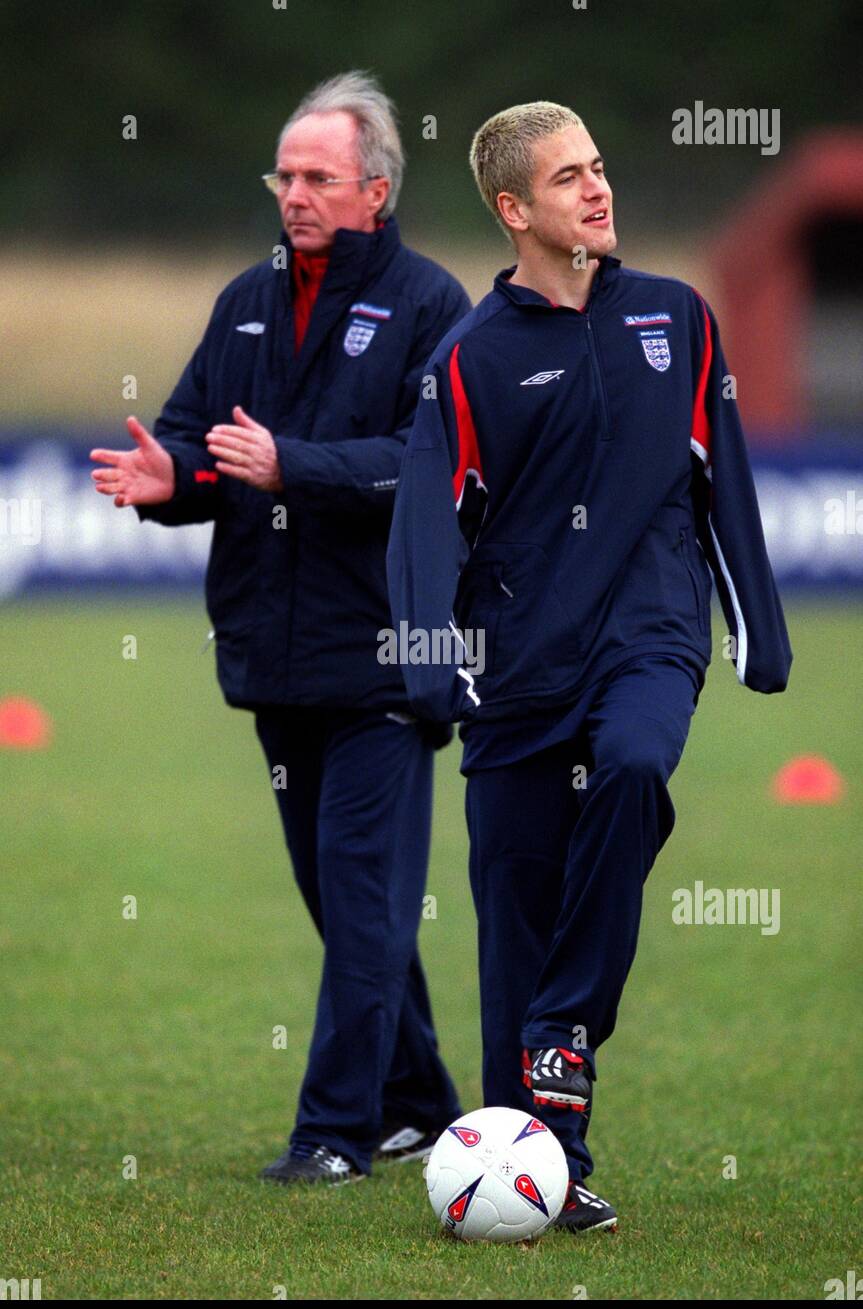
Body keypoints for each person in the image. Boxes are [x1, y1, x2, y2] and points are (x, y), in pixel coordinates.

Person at [386, 101, 792, 1232]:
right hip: (515, 673)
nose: (597, 190)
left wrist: (754, 624)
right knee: (511, 919)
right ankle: (543, 1170)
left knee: (629, 768)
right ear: (514, 209)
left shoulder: (677, 317)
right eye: (569, 178)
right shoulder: (467, 360)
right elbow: (425, 526)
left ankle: (566, 1018)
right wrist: (430, 663)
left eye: (600, 168)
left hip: (650, 638)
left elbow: (725, 484)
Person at [90, 71, 469, 1185]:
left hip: (387, 658)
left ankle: (333, 1134)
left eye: (317, 177)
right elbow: (190, 442)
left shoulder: (431, 305)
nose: (294, 195)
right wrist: (170, 478)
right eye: (283, 175)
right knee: (345, 903)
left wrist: (292, 463)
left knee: (360, 900)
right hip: (273, 655)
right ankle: (416, 1103)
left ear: (376, 188)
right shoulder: (245, 301)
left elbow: (427, 464)